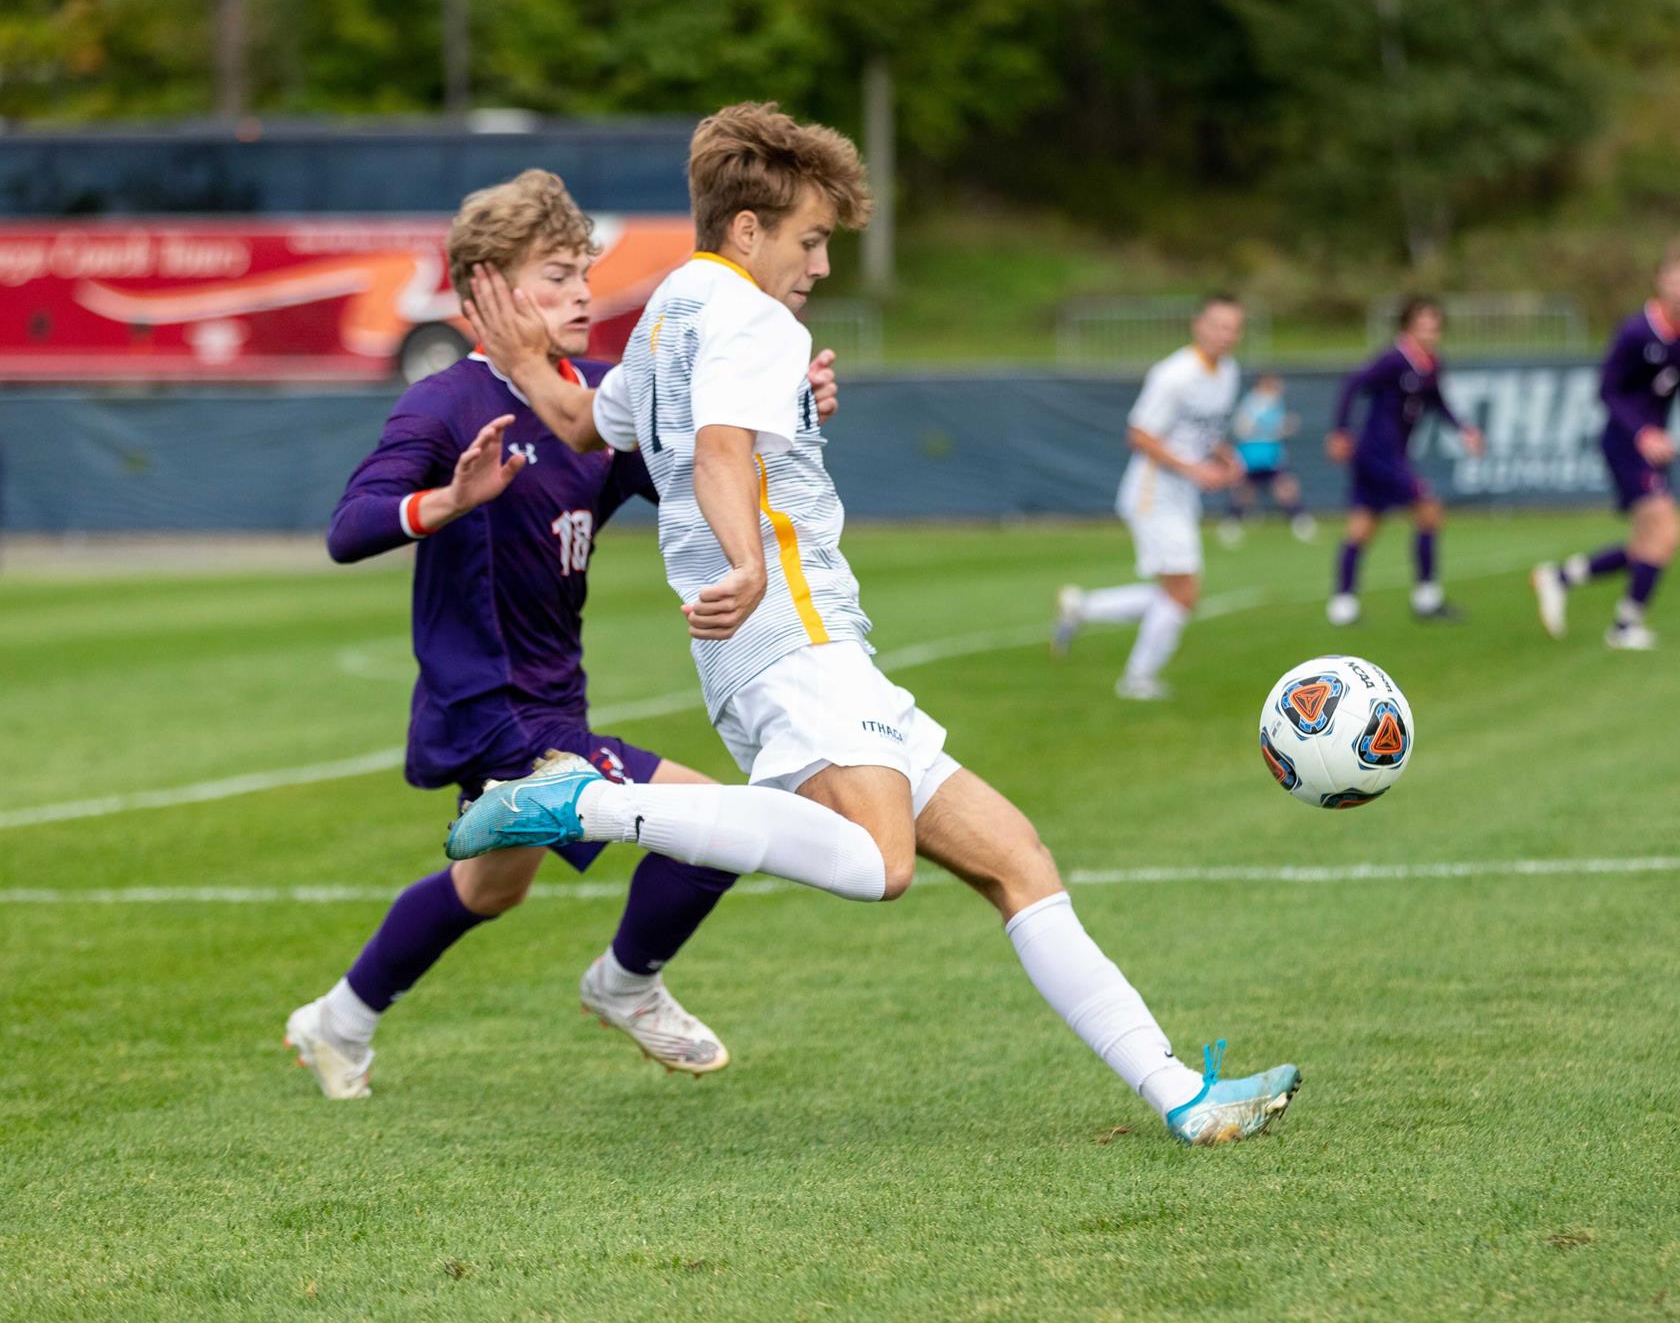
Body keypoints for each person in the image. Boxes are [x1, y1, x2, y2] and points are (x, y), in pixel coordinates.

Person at [458, 103, 1299, 1145]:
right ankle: (585, 802)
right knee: (880, 864)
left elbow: (587, 422)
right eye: (810, 240)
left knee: (1015, 858)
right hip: (789, 635)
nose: (820, 265)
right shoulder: (751, 317)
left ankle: (1180, 1094)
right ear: (749, 229)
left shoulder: (673, 308)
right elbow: (720, 453)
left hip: (797, 643)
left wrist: (523, 362)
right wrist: (749, 560)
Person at [283, 168, 841, 1099]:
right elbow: (350, 529)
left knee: (492, 887)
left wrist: (782, 418)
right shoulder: (445, 404)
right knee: (723, 826)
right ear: (486, 292)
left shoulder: (594, 400)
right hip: (492, 708)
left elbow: (693, 475)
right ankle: (626, 985)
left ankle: (337, 1021)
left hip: (549, 699)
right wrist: (449, 500)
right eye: (555, 276)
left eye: (583, 272)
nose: (582, 293)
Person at [1050, 297, 1245, 701]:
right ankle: (1137, 679)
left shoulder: (1228, 373)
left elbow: (1203, 432)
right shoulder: (1174, 374)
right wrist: (1194, 469)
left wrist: (1228, 458)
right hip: (1152, 494)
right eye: (1218, 325)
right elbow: (1139, 433)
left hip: (1182, 495)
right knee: (1184, 591)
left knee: (1176, 592)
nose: (1225, 334)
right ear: (1198, 325)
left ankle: (1083, 607)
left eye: (1233, 327)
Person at [1532, 245, 1680, 651]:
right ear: (1660, 282)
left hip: (1657, 446)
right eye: (1674, 280)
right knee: (1666, 532)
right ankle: (1624, 625)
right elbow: (1607, 390)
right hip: (1624, 443)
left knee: (1650, 543)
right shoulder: (1636, 331)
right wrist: (1642, 433)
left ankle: (1561, 579)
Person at [1325, 298, 1485, 626]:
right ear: (1408, 327)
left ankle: (1343, 604)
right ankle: (1426, 599)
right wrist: (1340, 431)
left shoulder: (1430, 364)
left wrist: (1464, 430)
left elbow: (1438, 402)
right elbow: (1353, 383)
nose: (1430, 333)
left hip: (1393, 455)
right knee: (1429, 510)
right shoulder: (1393, 359)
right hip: (1378, 454)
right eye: (1423, 326)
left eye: (1434, 327)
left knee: (1363, 525)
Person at [1218, 372, 1315, 548]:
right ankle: (1230, 524)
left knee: (1284, 486)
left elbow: (1276, 429)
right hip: (1251, 455)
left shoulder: (1275, 402)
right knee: (1245, 491)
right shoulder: (1253, 402)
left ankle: (1300, 521)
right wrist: (1278, 426)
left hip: (1270, 455)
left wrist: (1283, 428)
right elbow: (1243, 429)